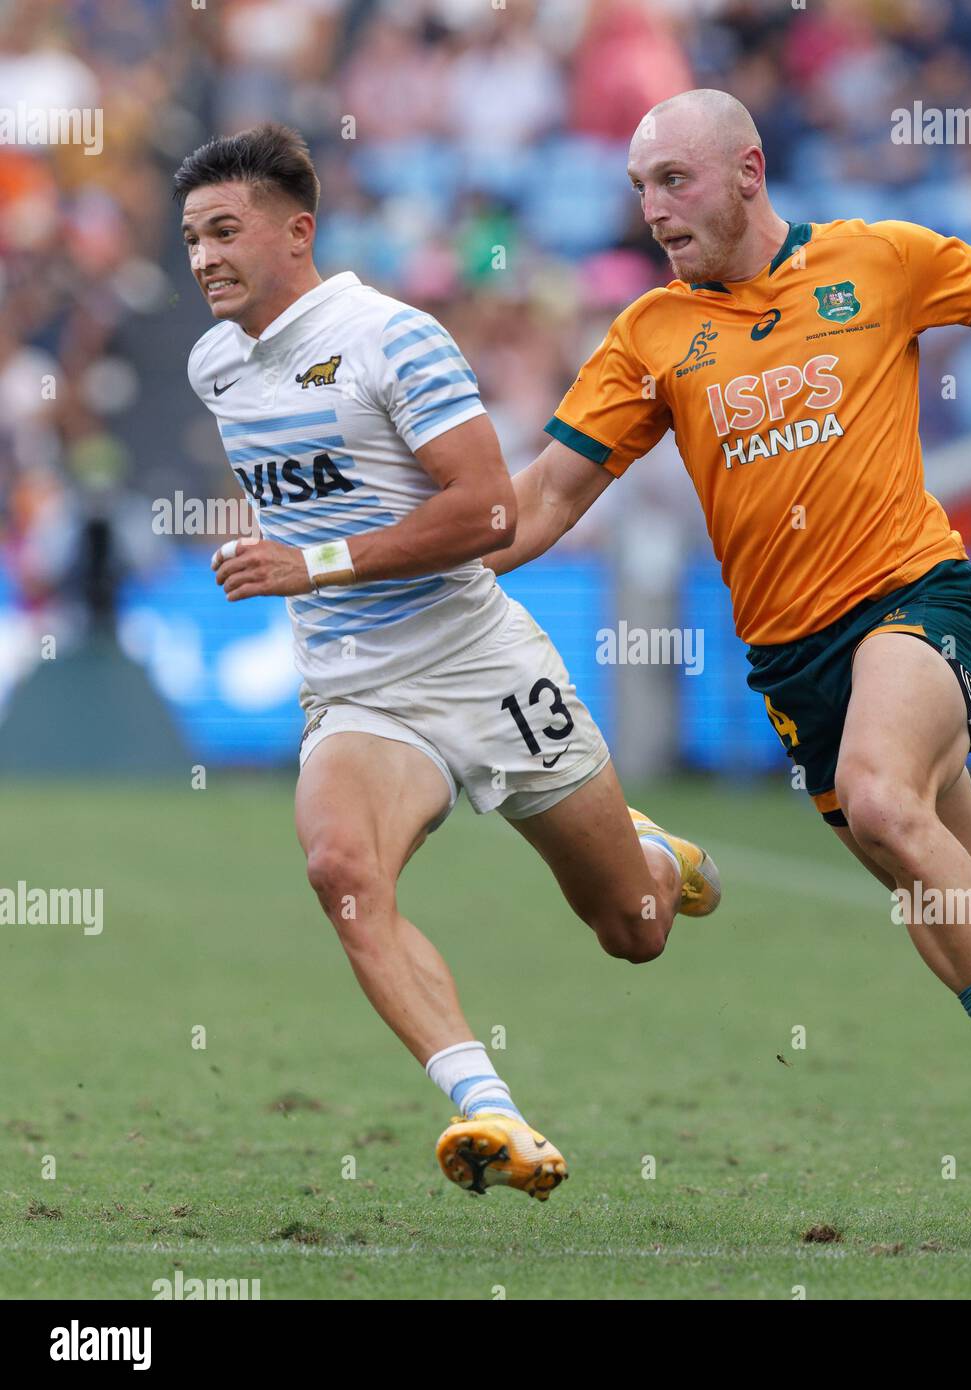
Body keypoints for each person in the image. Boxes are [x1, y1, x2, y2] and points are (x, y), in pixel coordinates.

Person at [487, 90, 971, 1171]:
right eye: (639, 188)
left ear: (748, 171)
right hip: (796, 666)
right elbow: (549, 500)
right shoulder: (650, 335)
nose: (651, 209)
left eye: (674, 180)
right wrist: (394, 564)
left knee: (887, 799)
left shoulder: (877, 260)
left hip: (916, 599)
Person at [176, 123, 721, 1203]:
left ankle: (653, 855)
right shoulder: (212, 364)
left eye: (225, 231)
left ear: (299, 232)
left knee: (635, 932)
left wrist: (311, 560)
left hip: (476, 660)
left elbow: (487, 509)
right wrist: (295, 558)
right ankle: (492, 1111)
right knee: (342, 872)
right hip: (356, 686)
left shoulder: (393, 338)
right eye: (191, 238)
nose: (203, 259)